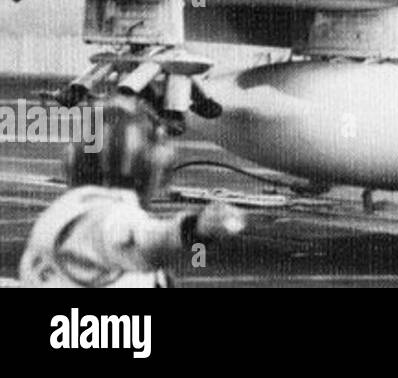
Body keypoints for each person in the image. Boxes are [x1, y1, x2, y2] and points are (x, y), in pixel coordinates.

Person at [19, 95, 244, 287]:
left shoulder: (64, 210)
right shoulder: (110, 216)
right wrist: (195, 229)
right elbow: (140, 237)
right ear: (146, 168)